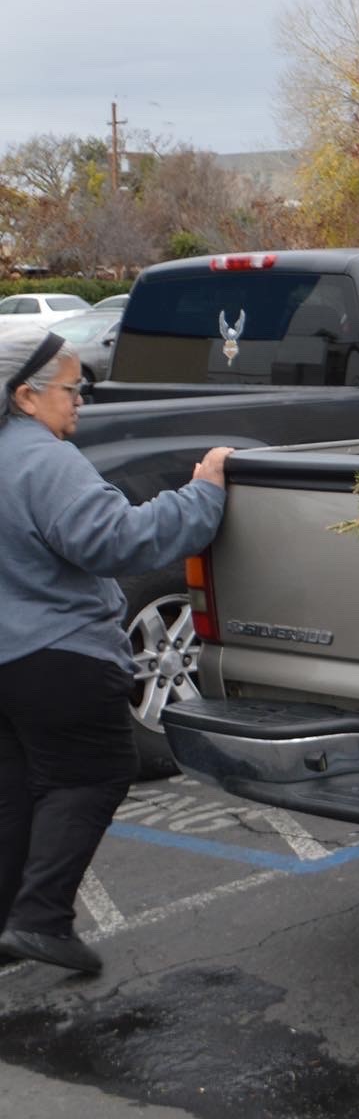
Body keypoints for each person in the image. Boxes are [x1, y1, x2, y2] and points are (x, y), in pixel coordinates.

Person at [0, 323, 232, 973]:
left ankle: (11, 926)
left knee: (18, 790)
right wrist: (204, 492)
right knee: (93, 774)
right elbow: (117, 542)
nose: (80, 402)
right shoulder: (40, 459)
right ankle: (41, 920)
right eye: (73, 390)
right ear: (26, 397)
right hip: (59, 655)